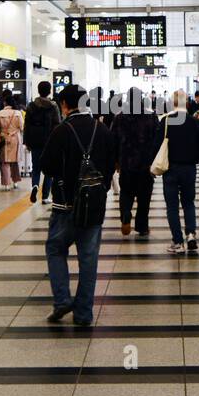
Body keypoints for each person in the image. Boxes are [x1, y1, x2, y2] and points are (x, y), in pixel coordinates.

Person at [42, 84, 116, 326]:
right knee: (89, 259)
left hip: (64, 206)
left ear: (64, 105)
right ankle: (83, 313)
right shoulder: (102, 129)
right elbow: (112, 165)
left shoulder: (61, 131)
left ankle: (62, 299)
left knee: (55, 249)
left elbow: (47, 166)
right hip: (93, 207)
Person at [161, 90, 199, 254]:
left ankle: (178, 242)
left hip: (170, 169)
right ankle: (191, 234)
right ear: (187, 103)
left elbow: (157, 144)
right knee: (188, 202)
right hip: (189, 168)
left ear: (172, 103)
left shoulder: (166, 121)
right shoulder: (194, 123)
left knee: (172, 206)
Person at [111, 86, 159, 237]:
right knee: (144, 196)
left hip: (126, 162)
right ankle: (142, 226)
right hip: (146, 164)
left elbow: (113, 140)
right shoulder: (151, 117)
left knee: (126, 192)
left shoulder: (119, 117)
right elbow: (156, 140)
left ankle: (126, 215)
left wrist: (116, 161)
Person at [25, 81, 61, 204]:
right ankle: (45, 196)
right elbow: (57, 125)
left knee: (36, 168)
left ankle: (35, 185)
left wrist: (27, 142)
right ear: (49, 91)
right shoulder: (53, 106)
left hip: (34, 140)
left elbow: (27, 125)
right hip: (49, 141)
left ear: (38, 90)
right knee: (49, 169)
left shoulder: (31, 106)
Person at [0, 92, 24, 189]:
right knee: (15, 161)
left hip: (4, 139)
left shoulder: (0, 113)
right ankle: (15, 182)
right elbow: (22, 127)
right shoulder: (18, 113)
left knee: (5, 161)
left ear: (5, 103)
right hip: (16, 138)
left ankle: (6, 184)